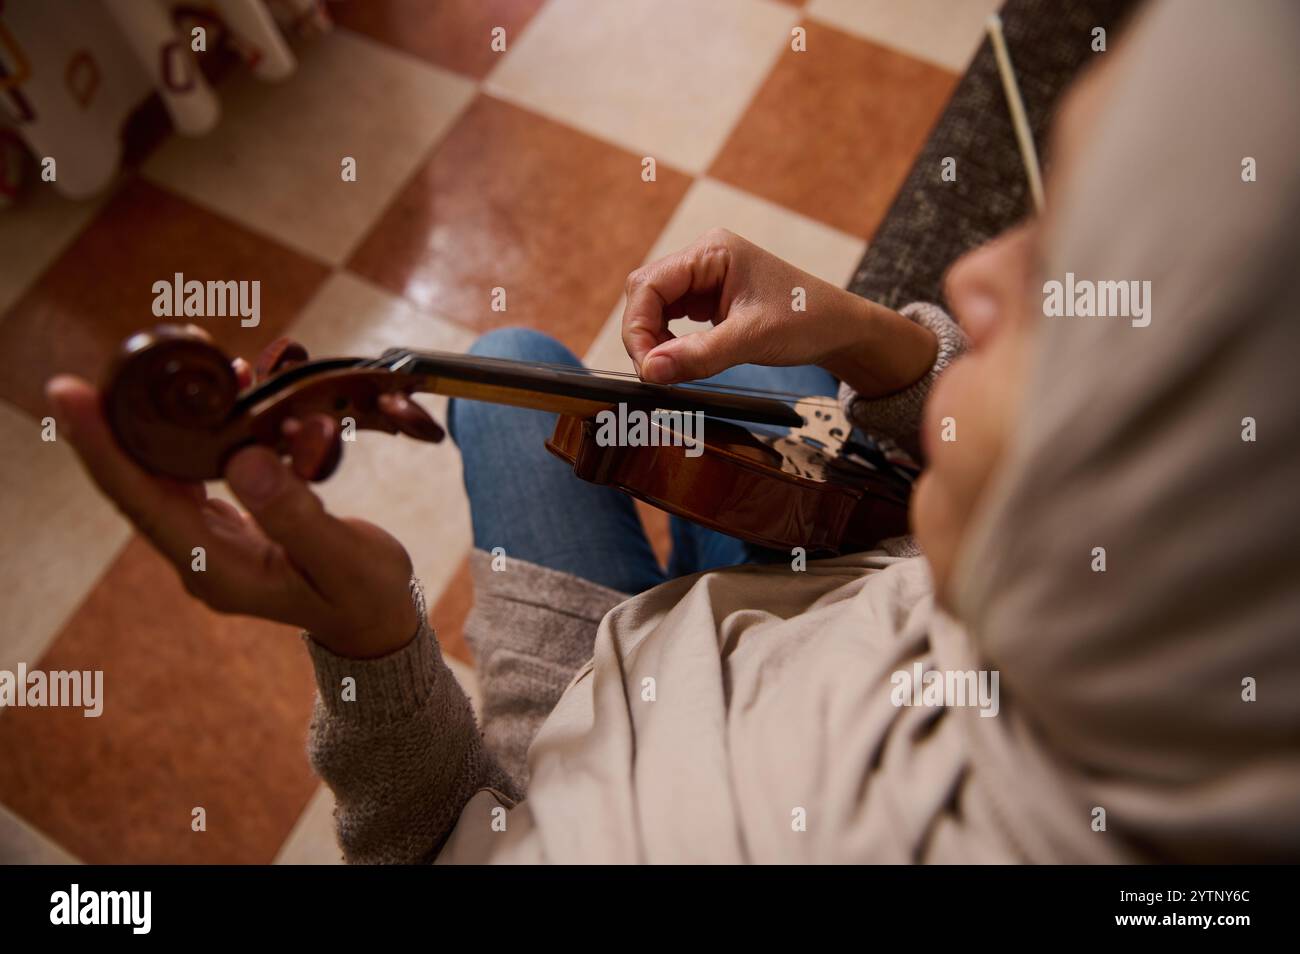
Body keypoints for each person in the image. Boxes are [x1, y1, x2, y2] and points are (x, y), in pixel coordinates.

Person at [46, 0, 1299, 862]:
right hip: (801, 613)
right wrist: (866, 331)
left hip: (606, 714)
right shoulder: (1183, 662)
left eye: (1076, 283)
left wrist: (369, 639)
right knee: (595, 369)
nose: (976, 279)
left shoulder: (646, 837)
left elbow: (446, 837)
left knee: (502, 374)